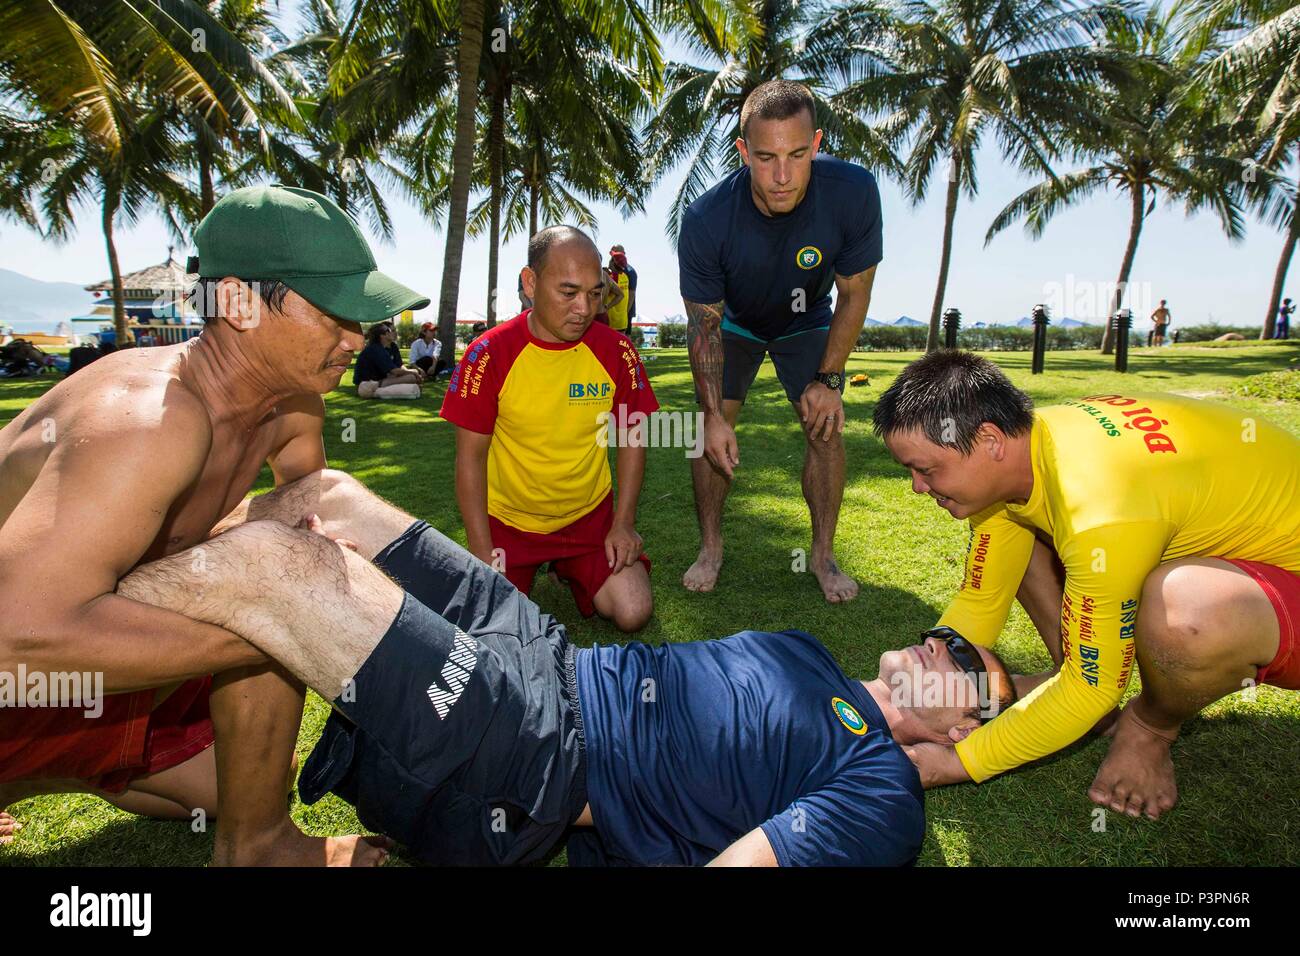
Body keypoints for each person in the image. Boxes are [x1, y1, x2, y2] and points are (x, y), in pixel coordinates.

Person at [108, 484, 1021, 866]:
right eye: (950, 636)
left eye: (968, 669)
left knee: (283, 569)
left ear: (958, 728)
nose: (945, 646)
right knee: (323, 498)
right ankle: (89, 643)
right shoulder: (813, 653)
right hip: (549, 652)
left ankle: (41, 654)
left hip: (545, 754)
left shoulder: (881, 790)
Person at [0, 184, 429, 864]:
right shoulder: (146, 418)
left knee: (253, 777)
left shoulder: (293, 406)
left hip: (93, 648)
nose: (356, 338)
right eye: (333, 313)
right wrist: (271, 630)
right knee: (272, 597)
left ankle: (248, 837)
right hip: (25, 665)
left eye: (362, 317)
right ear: (234, 301)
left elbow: (303, 515)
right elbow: (16, 640)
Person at [871, 349, 1300, 820]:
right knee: (1022, 539)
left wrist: (958, 761)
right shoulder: (1028, 447)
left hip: (1280, 580)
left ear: (989, 439)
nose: (917, 487)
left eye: (926, 470)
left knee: (1186, 612)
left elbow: (1094, 687)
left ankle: (1151, 728)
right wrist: (915, 690)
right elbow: (980, 600)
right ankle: (1066, 691)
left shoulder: (1097, 507)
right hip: (1226, 542)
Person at [677, 79, 881, 604]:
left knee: (826, 427)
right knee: (706, 431)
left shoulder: (854, 191)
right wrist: (712, 414)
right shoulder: (705, 219)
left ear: (817, 144)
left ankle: (822, 554)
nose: (783, 176)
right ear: (743, 152)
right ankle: (712, 547)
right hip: (735, 324)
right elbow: (704, 329)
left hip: (805, 320)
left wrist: (829, 379)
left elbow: (854, 293)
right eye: (765, 158)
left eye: (796, 154)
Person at [440, 226, 656, 633]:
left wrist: (623, 522)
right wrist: (483, 552)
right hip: (509, 523)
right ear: (531, 282)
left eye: (595, 293)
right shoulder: (487, 353)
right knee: (494, 627)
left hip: (588, 520)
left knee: (633, 610)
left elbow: (632, 439)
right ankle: (537, 569)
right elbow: (470, 458)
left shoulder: (617, 351)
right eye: (568, 292)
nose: (584, 308)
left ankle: (569, 566)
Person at [353, 321, 424, 393]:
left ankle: (404, 387)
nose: (395, 333)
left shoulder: (389, 346)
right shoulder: (376, 349)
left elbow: (398, 366)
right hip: (366, 384)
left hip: (382, 378)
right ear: (382, 335)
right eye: (391, 331)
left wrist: (410, 372)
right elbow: (394, 371)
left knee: (411, 376)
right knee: (411, 377)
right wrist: (411, 372)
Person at [605, 250, 632, 334]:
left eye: (611, 259)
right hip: (622, 321)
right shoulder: (625, 277)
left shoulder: (610, 277)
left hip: (611, 321)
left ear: (613, 263)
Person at [610, 244, 637, 322]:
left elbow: (631, 294)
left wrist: (624, 314)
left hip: (625, 312)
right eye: (613, 253)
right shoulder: (611, 270)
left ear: (624, 253)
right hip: (612, 312)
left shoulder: (630, 271)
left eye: (617, 252)